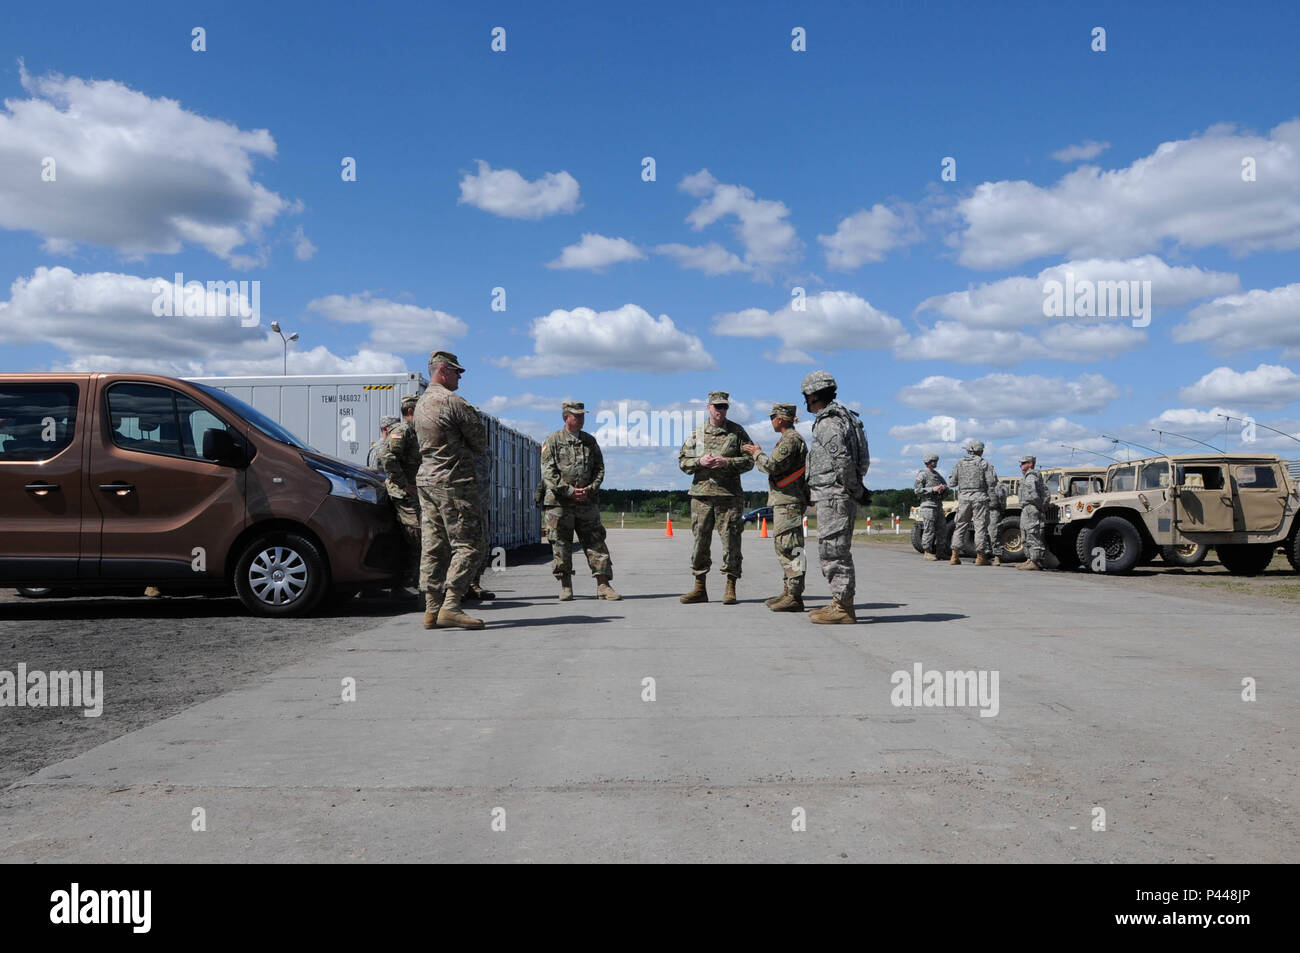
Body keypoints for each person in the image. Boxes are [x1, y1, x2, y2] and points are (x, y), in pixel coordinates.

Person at [414, 351, 487, 630]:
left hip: (427, 480)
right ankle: (451, 605)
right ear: (443, 370)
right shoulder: (452, 402)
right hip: (453, 483)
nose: (460, 377)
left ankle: (431, 609)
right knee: (469, 545)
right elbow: (479, 441)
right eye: (457, 371)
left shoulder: (421, 403)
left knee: (433, 546)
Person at [802, 370, 870, 624]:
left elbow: (841, 458)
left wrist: (853, 488)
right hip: (838, 493)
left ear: (813, 395)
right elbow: (862, 457)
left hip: (834, 494)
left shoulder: (828, 421)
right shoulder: (847, 417)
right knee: (836, 549)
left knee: (833, 550)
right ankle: (840, 602)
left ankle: (843, 607)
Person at [677, 391, 754, 605]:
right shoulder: (697, 433)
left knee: (731, 541)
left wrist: (727, 463)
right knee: (700, 541)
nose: (721, 410)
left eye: (724, 407)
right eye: (717, 406)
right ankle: (699, 587)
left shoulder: (737, 432)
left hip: (728, 497)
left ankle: (731, 587)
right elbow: (683, 462)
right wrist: (699, 462)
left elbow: (750, 460)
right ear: (709, 407)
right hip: (701, 497)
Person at [541, 401, 620, 601]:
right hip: (560, 503)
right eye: (577, 415)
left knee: (596, 542)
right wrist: (568, 491)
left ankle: (603, 585)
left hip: (587, 502)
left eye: (583, 415)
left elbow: (599, 469)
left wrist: (590, 489)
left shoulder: (590, 441)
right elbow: (548, 473)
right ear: (566, 417)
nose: (581, 419)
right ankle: (566, 586)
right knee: (561, 544)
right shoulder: (553, 441)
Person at [742, 402, 808, 612]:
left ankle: (795, 595)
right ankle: (789, 591)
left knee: (792, 548)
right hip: (785, 501)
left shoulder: (790, 440)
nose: (771, 421)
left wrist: (756, 453)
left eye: (772, 417)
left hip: (789, 502)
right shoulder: (790, 439)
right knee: (784, 547)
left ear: (780, 419)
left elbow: (771, 466)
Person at [377, 395, 421, 594]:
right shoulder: (402, 431)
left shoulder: (415, 431)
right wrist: (404, 484)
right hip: (403, 494)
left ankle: (414, 582)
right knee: (418, 536)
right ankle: (416, 583)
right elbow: (387, 458)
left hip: (413, 493)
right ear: (411, 412)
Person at [947, 440, 996, 566]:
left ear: (969, 450)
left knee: (960, 526)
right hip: (980, 498)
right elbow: (992, 482)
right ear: (981, 451)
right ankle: (980, 557)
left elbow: (952, 483)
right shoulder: (984, 464)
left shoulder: (960, 463)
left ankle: (954, 556)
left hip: (963, 498)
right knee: (980, 527)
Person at [465, 446, 496, 602]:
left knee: (482, 545)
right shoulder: (457, 449)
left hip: (482, 505)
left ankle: (474, 584)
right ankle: (458, 588)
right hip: (463, 507)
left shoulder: (486, 451)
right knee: (465, 547)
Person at [1017, 455, 1051, 571]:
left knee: (1032, 533)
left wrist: (1039, 505)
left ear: (1030, 464)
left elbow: (1033, 493)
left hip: (1031, 507)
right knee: (1026, 534)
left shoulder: (1031, 476)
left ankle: (1035, 561)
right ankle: (1030, 559)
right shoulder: (1027, 476)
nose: (1021, 466)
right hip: (1027, 508)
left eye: (1023, 463)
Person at [914, 453, 947, 561]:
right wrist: (932, 489)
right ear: (928, 462)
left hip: (938, 504)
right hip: (928, 505)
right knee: (929, 529)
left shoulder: (937, 475)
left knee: (942, 529)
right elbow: (917, 490)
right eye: (933, 461)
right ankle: (927, 552)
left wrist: (943, 488)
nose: (935, 463)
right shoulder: (922, 474)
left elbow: (945, 486)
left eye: (936, 461)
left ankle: (940, 552)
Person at [986, 464, 1006, 566]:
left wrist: (1001, 510)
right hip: (983, 511)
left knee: (995, 535)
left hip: (994, 511)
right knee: (983, 535)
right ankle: (984, 556)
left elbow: (1002, 499)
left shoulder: (998, 486)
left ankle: (997, 557)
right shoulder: (982, 484)